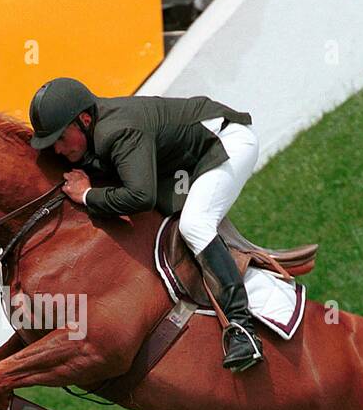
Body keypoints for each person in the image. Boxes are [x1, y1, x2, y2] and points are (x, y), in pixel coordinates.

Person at [28, 77, 264, 372]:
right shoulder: (96, 130)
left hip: (228, 143)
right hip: (184, 162)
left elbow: (141, 196)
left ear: (85, 120)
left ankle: (243, 329)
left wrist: (87, 195)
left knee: (194, 224)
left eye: (61, 139)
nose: (58, 151)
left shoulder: (118, 131)